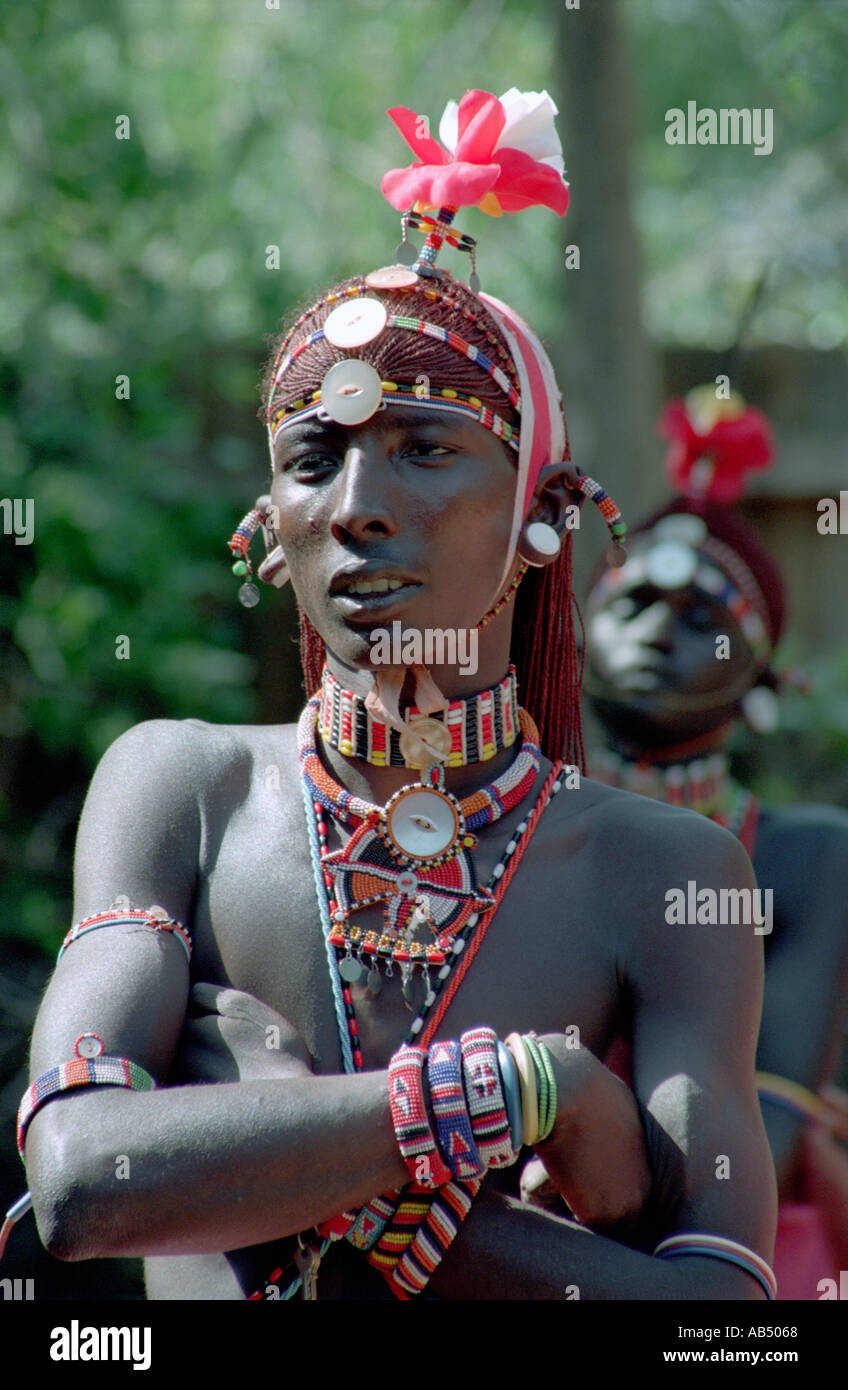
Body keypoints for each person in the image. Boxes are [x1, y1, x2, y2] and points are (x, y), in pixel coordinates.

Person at [16, 89, 776, 1301]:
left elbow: (722, 1313)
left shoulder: (659, 870)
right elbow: (79, 1182)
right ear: (270, 533)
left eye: (425, 447)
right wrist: (527, 1093)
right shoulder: (182, 785)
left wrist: (277, 1147)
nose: (357, 504)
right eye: (312, 461)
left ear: (540, 516)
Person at [580, 384, 848, 1299]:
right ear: (578, 635)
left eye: (704, 622)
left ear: (760, 679)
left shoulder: (806, 858)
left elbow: (763, 1133)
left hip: (727, 1255)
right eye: (635, 605)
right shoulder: (514, 816)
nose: (658, 634)